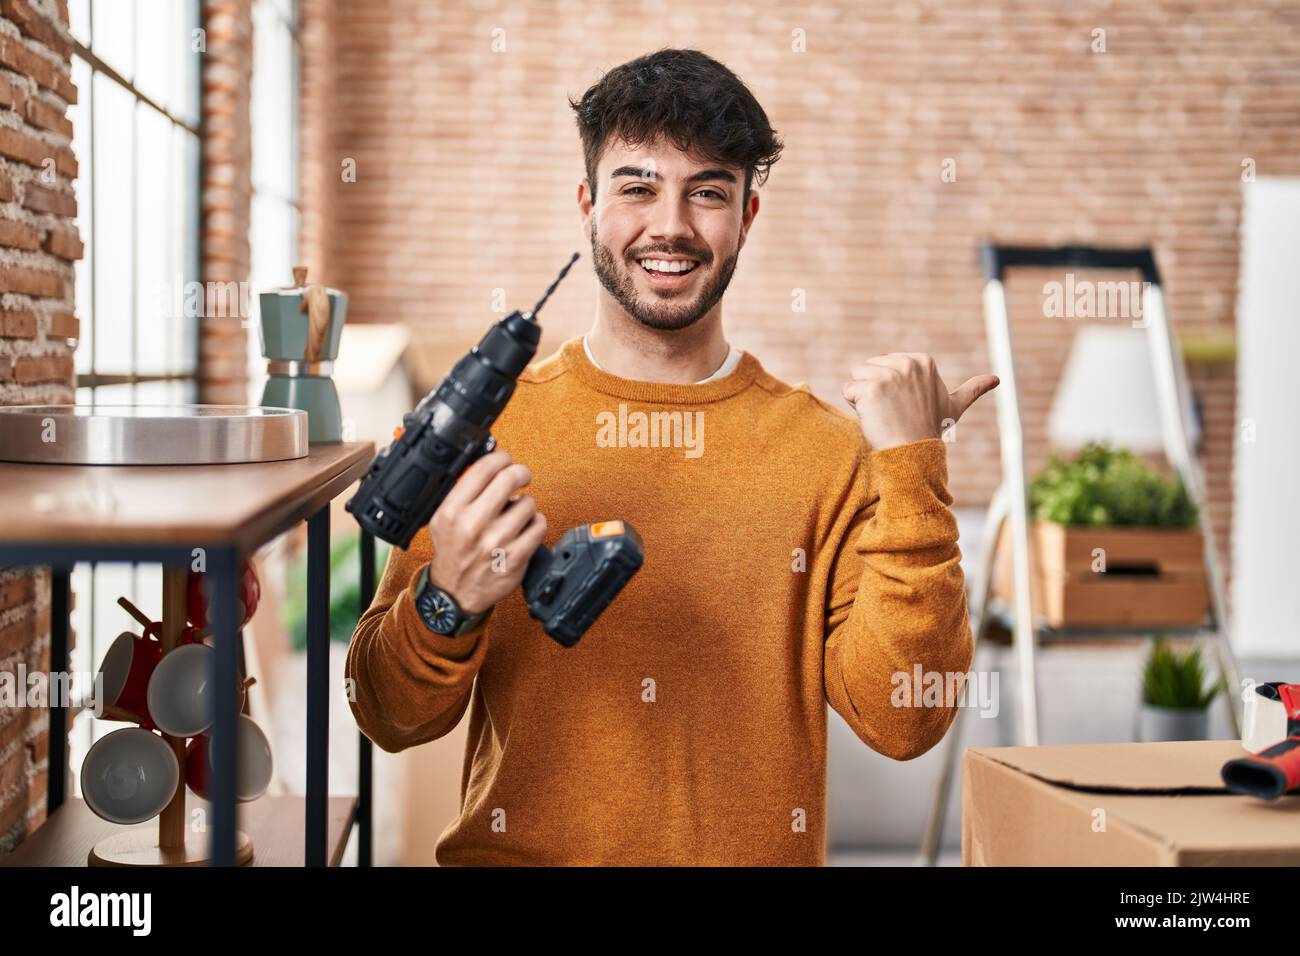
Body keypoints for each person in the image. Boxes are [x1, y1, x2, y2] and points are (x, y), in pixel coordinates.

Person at [345, 47, 997, 865]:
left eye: (709, 193)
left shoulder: (828, 454)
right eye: (638, 187)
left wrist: (912, 469)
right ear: (588, 204)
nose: (671, 227)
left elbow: (904, 723)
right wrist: (449, 599)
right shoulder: (488, 431)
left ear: (747, 216)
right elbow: (387, 714)